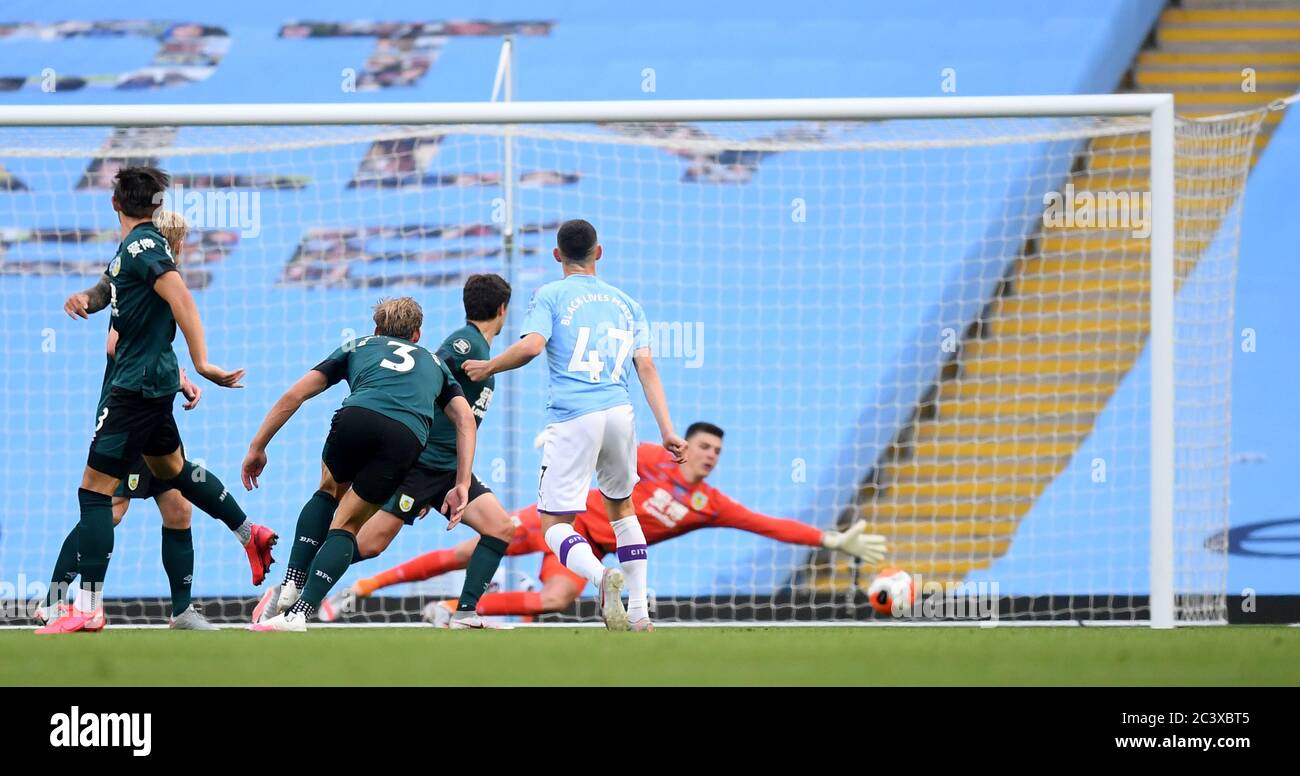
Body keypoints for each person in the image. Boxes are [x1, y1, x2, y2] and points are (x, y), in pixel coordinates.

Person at [337, 423, 888, 624]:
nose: (709, 456)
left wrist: (831, 538)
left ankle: (449, 611)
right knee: (478, 548)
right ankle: (363, 586)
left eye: (717, 451)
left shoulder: (711, 504)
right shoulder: (651, 456)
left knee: (555, 601)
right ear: (684, 446)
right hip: (562, 521)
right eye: (703, 446)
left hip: (590, 551)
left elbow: (768, 525)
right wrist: (558, 441)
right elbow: (606, 439)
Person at [38, 170, 275, 635]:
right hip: (150, 388)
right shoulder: (138, 253)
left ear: (114, 203)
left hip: (133, 392)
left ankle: (84, 605)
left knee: (97, 495)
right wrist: (86, 298)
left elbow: (176, 303)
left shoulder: (145, 250)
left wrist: (201, 364)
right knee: (174, 479)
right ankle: (249, 531)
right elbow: (109, 290)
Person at [462, 218, 686, 631]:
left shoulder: (550, 294)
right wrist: (669, 430)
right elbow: (647, 366)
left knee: (553, 526)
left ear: (556, 256)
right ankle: (640, 614)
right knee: (623, 510)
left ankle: (602, 579)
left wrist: (491, 365)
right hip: (621, 415)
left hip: (573, 417)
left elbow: (531, 346)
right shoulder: (628, 303)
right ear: (598, 253)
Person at [243, 297, 477, 632]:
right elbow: (465, 421)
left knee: (328, 490)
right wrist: (462, 483)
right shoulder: (435, 363)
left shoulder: (358, 345)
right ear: (418, 334)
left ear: (377, 329)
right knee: (348, 525)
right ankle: (300, 614)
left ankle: (292, 580)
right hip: (406, 436)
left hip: (358, 417)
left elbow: (295, 394)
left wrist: (258, 446)